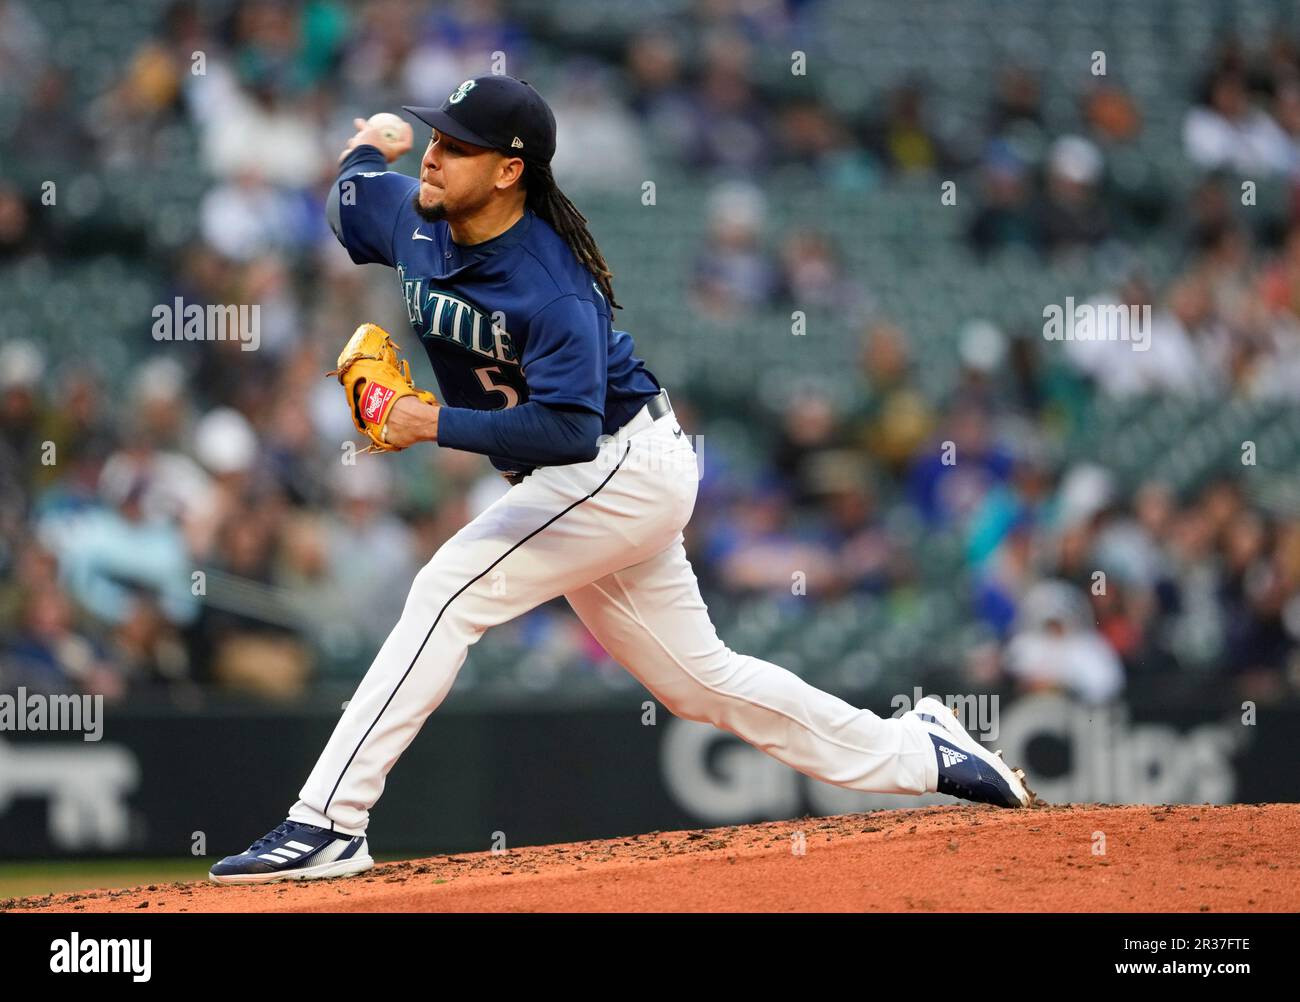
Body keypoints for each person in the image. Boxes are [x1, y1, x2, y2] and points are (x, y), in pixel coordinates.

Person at [209, 75, 1034, 884]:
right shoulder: (413, 214)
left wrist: (428, 423)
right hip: (583, 478)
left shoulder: (551, 283)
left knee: (447, 592)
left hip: (620, 465)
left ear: (508, 171)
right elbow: (349, 196)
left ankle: (327, 823)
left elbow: (567, 431)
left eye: (456, 146)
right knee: (698, 682)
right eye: (432, 138)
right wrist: (367, 145)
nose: (432, 157)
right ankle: (922, 748)